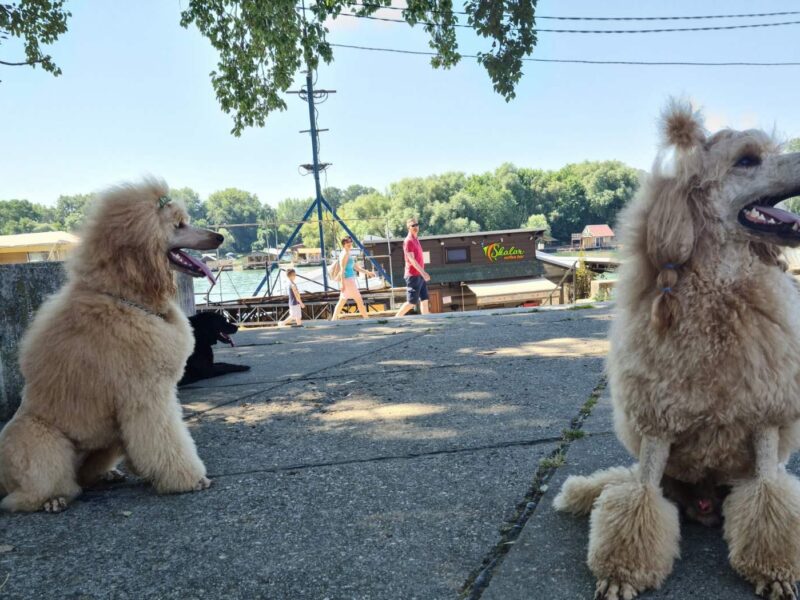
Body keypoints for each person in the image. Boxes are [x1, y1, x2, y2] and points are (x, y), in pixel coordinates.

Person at [331, 236, 375, 321]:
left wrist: (368, 272)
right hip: (348, 280)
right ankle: (366, 318)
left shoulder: (348, 253)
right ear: (344, 244)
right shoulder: (345, 254)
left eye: (350, 241)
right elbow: (342, 270)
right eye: (347, 242)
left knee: (342, 301)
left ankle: (333, 320)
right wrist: (342, 284)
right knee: (358, 299)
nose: (350, 243)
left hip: (349, 279)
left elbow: (356, 267)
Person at [395, 217, 430, 317]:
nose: (415, 227)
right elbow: (412, 260)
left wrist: (422, 273)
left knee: (424, 299)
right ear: (408, 228)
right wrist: (423, 272)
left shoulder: (416, 239)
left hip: (419, 275)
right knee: (411, 303)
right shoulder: (408, 241)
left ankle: (428, 322)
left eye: (416, 225)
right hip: (413, 276)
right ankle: (396, 319)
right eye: (412, 225)